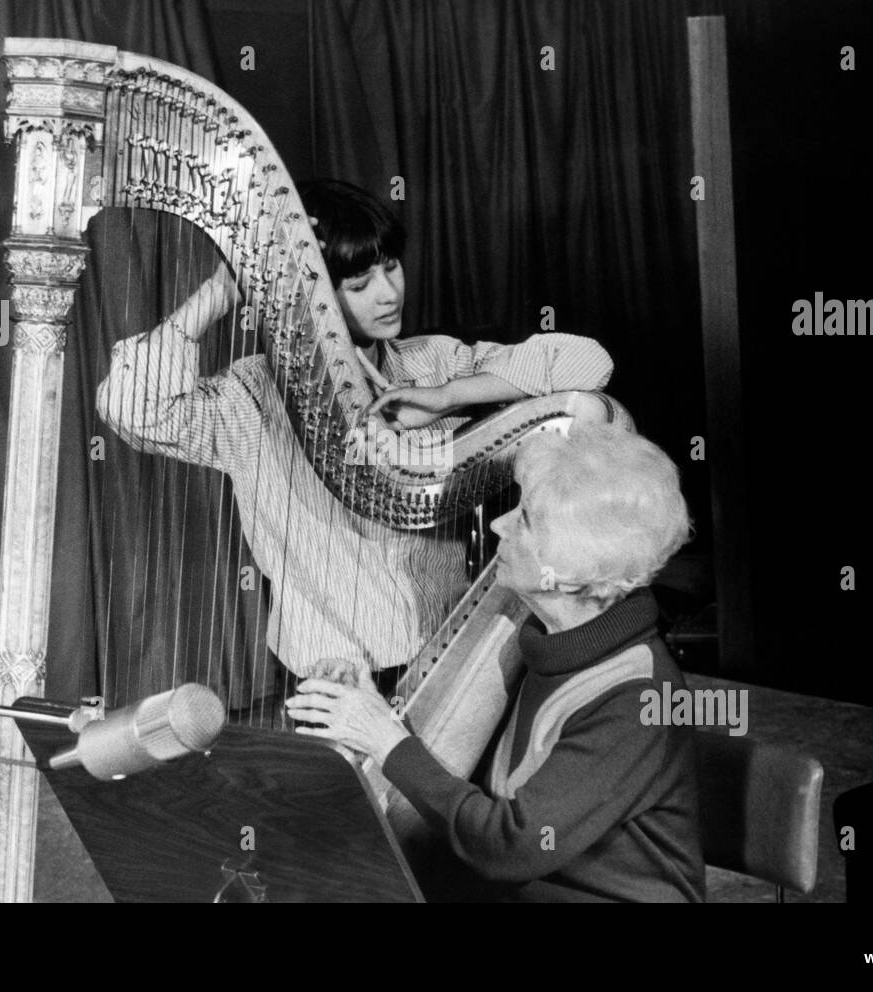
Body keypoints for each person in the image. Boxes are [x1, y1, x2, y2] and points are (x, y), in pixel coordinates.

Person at [96, 179, 613, 685]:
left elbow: (587, 364)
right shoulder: (253, 396)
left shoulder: (431, 364)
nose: (388, 294)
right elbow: (132, 408)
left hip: (451, 653)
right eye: (360, 284)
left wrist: (446, 399)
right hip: (331, 673)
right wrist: (224, 290)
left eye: (390, 268)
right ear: (306, 295)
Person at [287, 424, 706, 902]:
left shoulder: (638, 698)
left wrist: (386, 738)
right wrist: (372, 712)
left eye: (524, 518)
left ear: (572, 574)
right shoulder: (551, 638)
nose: (497, 525)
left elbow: (509, 846)